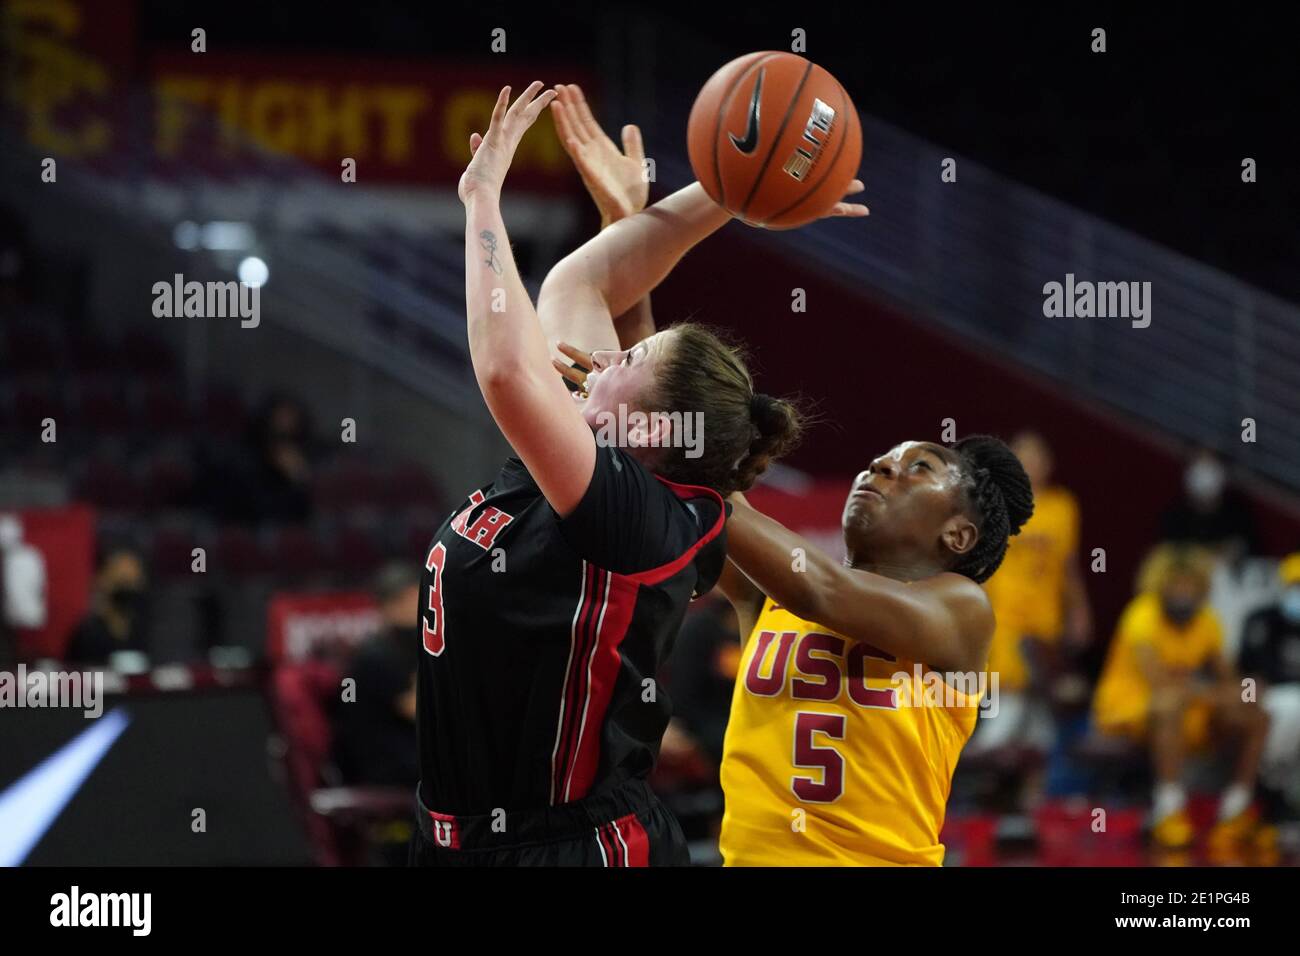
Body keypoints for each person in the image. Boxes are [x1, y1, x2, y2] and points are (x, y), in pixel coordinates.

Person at [409, 82, 865, 868]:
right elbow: (580, 286)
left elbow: (508, 369)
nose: (607, 356)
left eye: (630, 359)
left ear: (649, 429)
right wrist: (732, 189)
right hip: (458, 840)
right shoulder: (603, 441)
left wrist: (482, 197)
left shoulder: (635, 513)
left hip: (572, 849)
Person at [716, 436, 1034, 865]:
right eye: (883, 457)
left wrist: (703, 465)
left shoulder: (962, 608)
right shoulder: (773, 590)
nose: (880, 465)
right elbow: (703, 507)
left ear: (957, 534)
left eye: (920, 467)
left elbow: (821, 591)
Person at [1092, 544, 1271, 853]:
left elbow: (1232, 681)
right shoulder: (1141, 615)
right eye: (1176, 585)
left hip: (1188, 707)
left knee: (1254, 715)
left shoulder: (1207, 621)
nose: (1183, 593)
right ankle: (1169, 809)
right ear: (1159, 584)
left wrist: (1244, 691)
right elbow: (1160, 684)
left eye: (1191, 586)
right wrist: (1217, 693)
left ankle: (1237, 808)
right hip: (1129, 707)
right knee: (1170, 703)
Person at [967, 431, 1091, 761]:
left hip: (1045, 616)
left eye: (1038, 457)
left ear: (1049, 464)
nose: (1031, 464)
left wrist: (1079, 613)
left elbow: (1069, 567)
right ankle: (980, 765)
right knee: (1008, 693)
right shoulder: (994, 502)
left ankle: (1031, 794)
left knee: (1042, 700)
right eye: (1024, 457)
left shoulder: (1063, 506)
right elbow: (980, 561)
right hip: (1003, 613)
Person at [332, 563, 421, 790]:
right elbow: (421, 711)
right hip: (384, 768)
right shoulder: (375, 656)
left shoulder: (409, 647)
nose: (419, 605)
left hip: (406, 757)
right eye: (409, 599)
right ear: (387, 607)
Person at [1237, 553, 1300, 819]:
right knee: (1290, 707)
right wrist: (1248, 701)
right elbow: (1245, 673)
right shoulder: (1261, 620)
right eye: (1295, 586)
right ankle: (1270, 787)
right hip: (1270, 698)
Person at [1160, 447, 1257, 563]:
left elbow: (1247, 551)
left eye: (1210, 467)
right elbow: (1168, 555)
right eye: (1201, 465)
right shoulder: (1175, 517)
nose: (1205, 475)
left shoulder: (1237, 516)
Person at [66, 546, 150, 665]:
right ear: (101, 580)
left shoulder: (147, 634)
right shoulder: (88, 634)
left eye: (132, 583)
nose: (128, 591)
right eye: (121, 582)